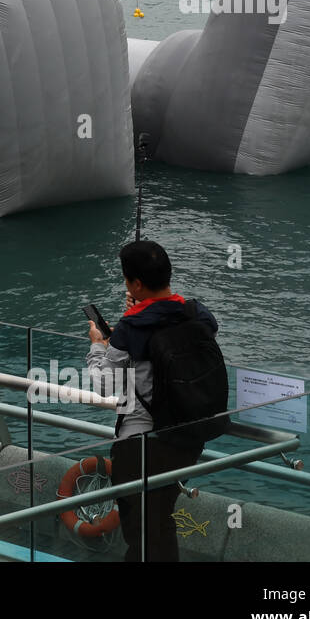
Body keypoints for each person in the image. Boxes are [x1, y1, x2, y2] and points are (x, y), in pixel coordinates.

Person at [85, 240, 220, 562]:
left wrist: (98, 345)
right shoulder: (197, 314)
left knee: (142, 533)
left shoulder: (132, 328)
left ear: (136, 283)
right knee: (159, 524)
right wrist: (143, 307)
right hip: (187, 439)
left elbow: (103, 385)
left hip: (141, 447)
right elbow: (171, 323)